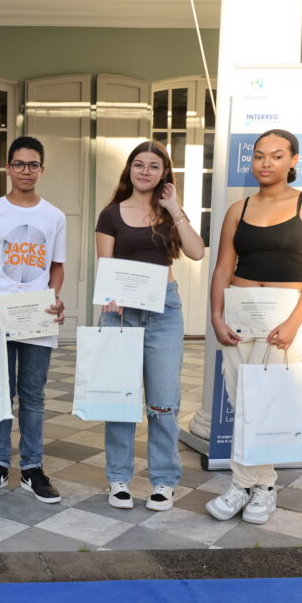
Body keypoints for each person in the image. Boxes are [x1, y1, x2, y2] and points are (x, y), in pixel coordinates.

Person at [206, 129, 302, 525]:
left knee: (268, 401)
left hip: (284, 317)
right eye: (259, 155)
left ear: (293, 161)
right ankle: (258, 486)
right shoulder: (238, 209)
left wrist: (294, 322)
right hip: (240, 314)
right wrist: (216, 316)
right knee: (242, 400)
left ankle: (248, 486)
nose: (266, 162)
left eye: (277, 156)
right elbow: (222, 268)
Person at [95, 141, 205, 511]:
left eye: (153, 166)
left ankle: (164, 481)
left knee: (163, 402)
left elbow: (196, 252)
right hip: (121, 313)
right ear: (129, 169)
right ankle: (119, 479)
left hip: (163, 311)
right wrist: (110, 294)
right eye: (138, 164)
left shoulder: (170, 212)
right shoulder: (111, 214)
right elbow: (105, 265)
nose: (145, 171)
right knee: (120, 400)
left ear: (164, 173)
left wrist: (174, 208)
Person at [0, 136, 66, 503]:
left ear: (42, 169)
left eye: (33, 165)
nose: (26, 171)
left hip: (38, 317)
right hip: (0, 316)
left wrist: (54, 296)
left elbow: (57, 266)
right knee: (0, 391)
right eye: (19, 164)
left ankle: (32, 468)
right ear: (8, 168)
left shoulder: (54, 217)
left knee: (33, 395)